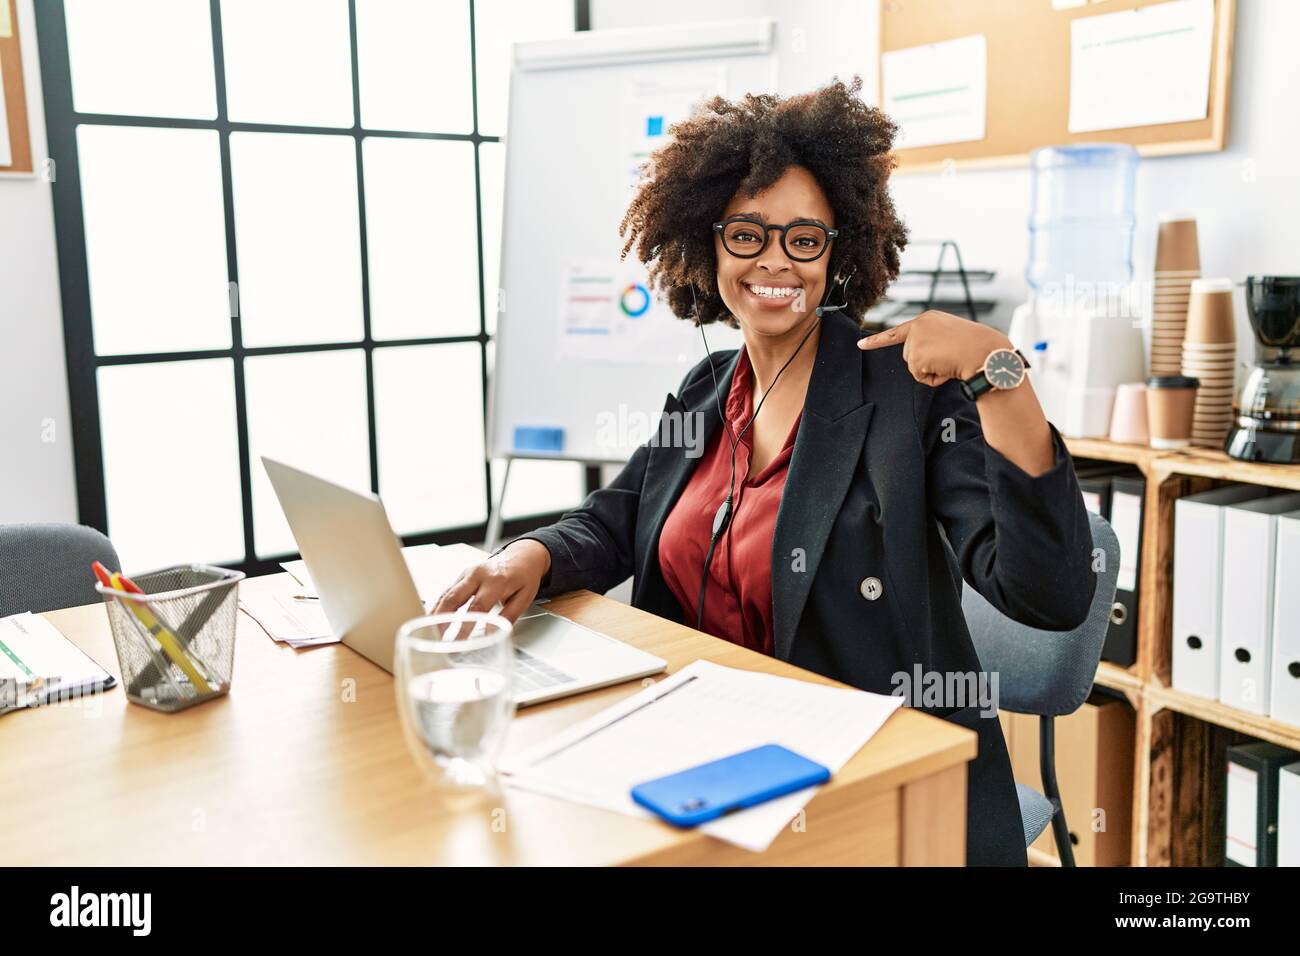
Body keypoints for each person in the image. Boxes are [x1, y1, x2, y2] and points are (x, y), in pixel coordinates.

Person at [433, 77, 1095, 866]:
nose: (776, 261)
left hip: (862, 777)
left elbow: (1048, 595)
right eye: (747, 234)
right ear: (706, 244)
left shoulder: (905, 395)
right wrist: (527, 556)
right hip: (699, 750)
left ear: (838, 251)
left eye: (804, 239)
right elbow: (619, 517)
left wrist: (996, 371)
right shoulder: (707, 391)